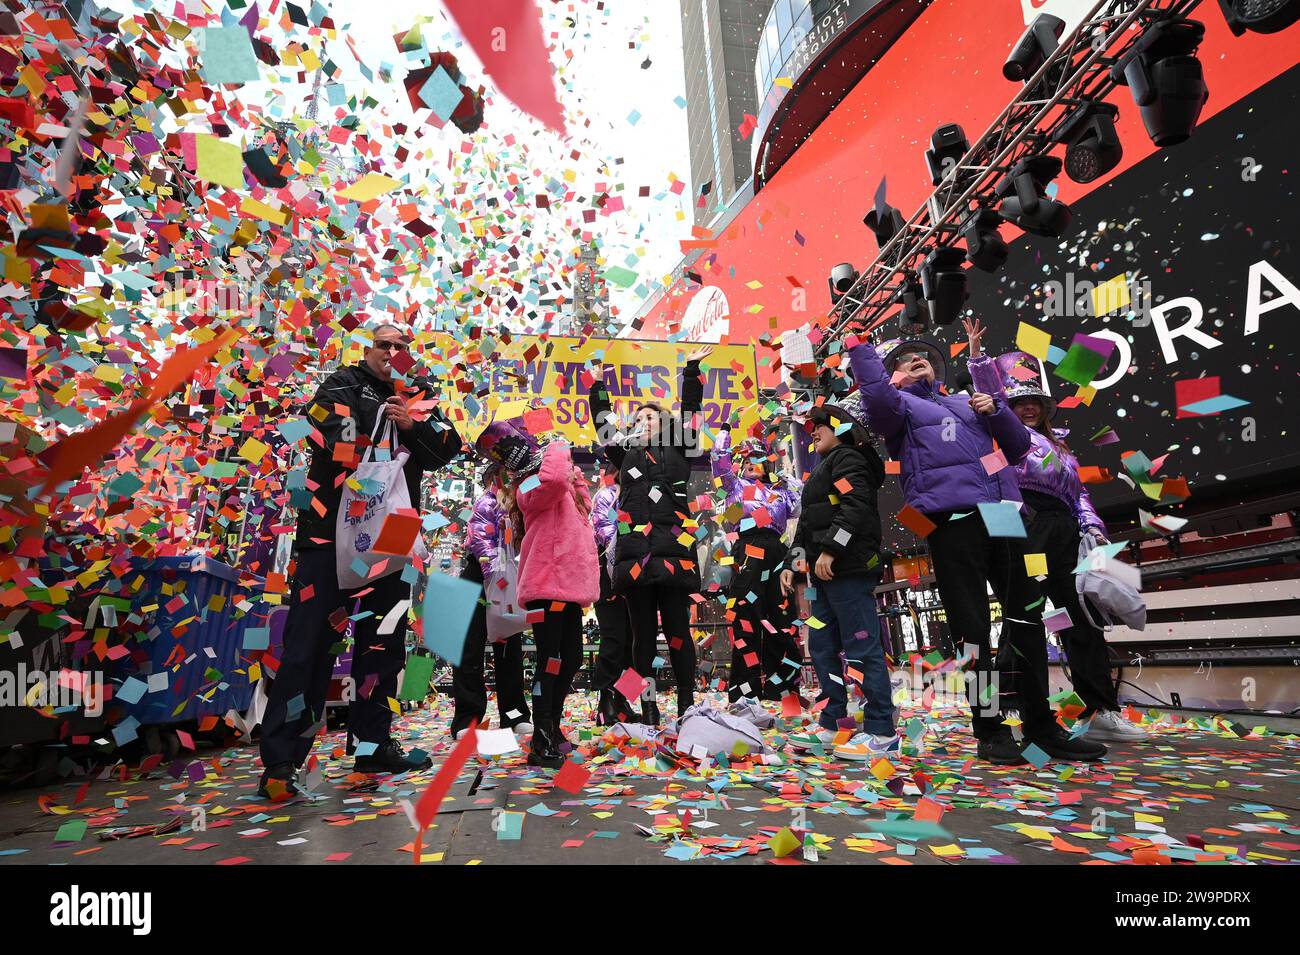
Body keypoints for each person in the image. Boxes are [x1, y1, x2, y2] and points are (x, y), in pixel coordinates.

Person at [848, 333, 1106, 765]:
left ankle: (1041, 727)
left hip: (1004, 516)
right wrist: (860, 347)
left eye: (923, 360)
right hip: (951, 522)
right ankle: (989, 730)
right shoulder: (900, 410)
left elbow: (1020, 446)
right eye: (906, 361)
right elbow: (875, 395)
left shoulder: (967, 403)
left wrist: (998, 408)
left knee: (1027, 620)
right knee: (972, 632)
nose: (916, 363)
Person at [259, 322, 461, 799]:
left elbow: (447, 448)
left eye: (401, 346)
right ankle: (283, 759)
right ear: (367, 349)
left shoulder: (419, 391)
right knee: (308, 645)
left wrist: (413, 424)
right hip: (328, 536)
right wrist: (383, 418)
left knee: (382, 647)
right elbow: (329, 432)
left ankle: (372, 746)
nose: (392, 352)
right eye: (383, 344)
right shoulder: (341, 383)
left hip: (391, 536)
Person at [965, 320, 1144, 743]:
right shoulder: (1001, 436)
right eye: (1019, 400)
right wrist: (977, 359)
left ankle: (1100, 707)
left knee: (1082, 618)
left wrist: (1093, 528)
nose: (1028, 408)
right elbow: (990, 407)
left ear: (1047, 407)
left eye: (1036, 402)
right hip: (1022, 524)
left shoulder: (1062, 447)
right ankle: (1004, 706)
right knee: (1019, 617)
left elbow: (1079, 494)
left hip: (1065, 530)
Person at [588, 346, 709, 725]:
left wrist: (690, 372)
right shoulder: (623, 454)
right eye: (638, 418)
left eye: (652, 417)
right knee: (642, 639)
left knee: (677, 633)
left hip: (673, 554)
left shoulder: (680, 448)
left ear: (666, 424)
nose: (644, 422)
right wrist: (597, 386)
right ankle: (649, 706)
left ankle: (687, 705)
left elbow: (691, 413)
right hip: (635, 556)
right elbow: (603, 418)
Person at [780, 400, 898, 759]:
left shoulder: (849, 459)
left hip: (847, 572)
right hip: (820, 577)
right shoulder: (822, 467)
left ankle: (882, 731)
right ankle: (833, 723)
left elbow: (855, 508)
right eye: (812, 425)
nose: (812, 430)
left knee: (862, 650)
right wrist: (793, 562)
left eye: (821, 425)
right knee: (821, 647)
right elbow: (805, 524)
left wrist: (832, 549)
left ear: (845, 428)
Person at [711, 423, 803, 703]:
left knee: (781, 621)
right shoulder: (734, 486)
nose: (752, 463)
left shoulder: (778, 490)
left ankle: (783, 691)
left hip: (777, 552)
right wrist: (725, 431)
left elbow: (798, 507)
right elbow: (718, 459)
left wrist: (788, 479)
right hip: (748, 551)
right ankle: (745, 693)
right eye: (746, 460)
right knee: (746, 621)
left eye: (758, 459)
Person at [448, 467, 533, 741]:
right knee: (469, 647)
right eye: (500, 477)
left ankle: (515, 714)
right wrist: (494, 575)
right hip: (480, 576)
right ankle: (468, 718)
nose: (506, 481)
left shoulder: (522, 503)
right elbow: (480, 541)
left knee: (509, 644)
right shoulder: (485, 502)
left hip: (508, 578)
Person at [590, 457, 639, 725]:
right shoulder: (606, 495)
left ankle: (623, 700)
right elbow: (606, 533)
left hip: (636, 575)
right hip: (610, 574)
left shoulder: (639, 493)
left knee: (635, 641)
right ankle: (606, 701)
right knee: (614, 639)